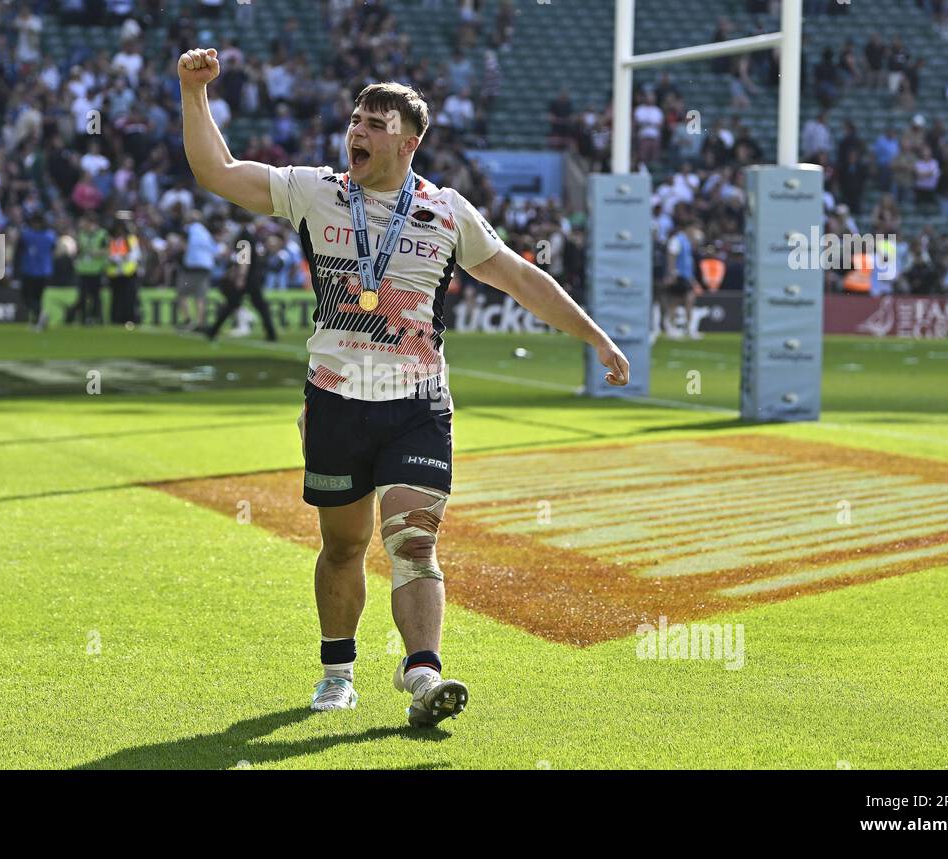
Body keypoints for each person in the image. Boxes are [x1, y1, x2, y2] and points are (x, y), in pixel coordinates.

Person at [177, 47, 630, 727]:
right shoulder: (314, 189)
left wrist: (594, 336)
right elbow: (216, 170)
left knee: (414, 540)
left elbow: (521, 278)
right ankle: (337, 670)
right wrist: (194, 93)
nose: (357, 130)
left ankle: (423, 673)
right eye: (355, 118)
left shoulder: (447, 212)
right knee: (344, 546)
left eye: (375, 123)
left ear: (409, 141)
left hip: (417, 402)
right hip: (334, 396)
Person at [205, 209, 278, 342]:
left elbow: (244, 258)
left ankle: (213, 331)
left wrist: (241, 277)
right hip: (253, 276)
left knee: (232, 304)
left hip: (248, 277)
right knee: (259, 306)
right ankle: (271, 333)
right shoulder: (251, 234)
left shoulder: (244, 235)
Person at [16, 212, 57, 331]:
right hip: (44, 271)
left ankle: (40, 315)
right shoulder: (50, 236)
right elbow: (54, 250)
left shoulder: (26, 235)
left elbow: (18, 252)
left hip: (30, 271)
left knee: (28, 297)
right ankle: (37, 320)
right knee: (36, 297)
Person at [69, 213, 109, 325]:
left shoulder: (102, 234)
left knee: (95, 297)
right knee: (82, 296)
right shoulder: (81, 234)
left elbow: (107, 250)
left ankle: (96, 318)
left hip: (96, 270)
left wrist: (97, 253)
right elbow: (78, 251)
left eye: (85, 222)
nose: (83, 224)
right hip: (83, 270)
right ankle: (84, 318)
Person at [106, 220, 141, 325]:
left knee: (129, 298)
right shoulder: (112, 240)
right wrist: (120, 257)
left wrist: (119, 257)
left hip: (129, 273)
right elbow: (110, 255)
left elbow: (134, 255)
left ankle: (130, 319)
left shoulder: (131, 239)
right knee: (116, 298)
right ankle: (116, 319)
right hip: (115, 274)